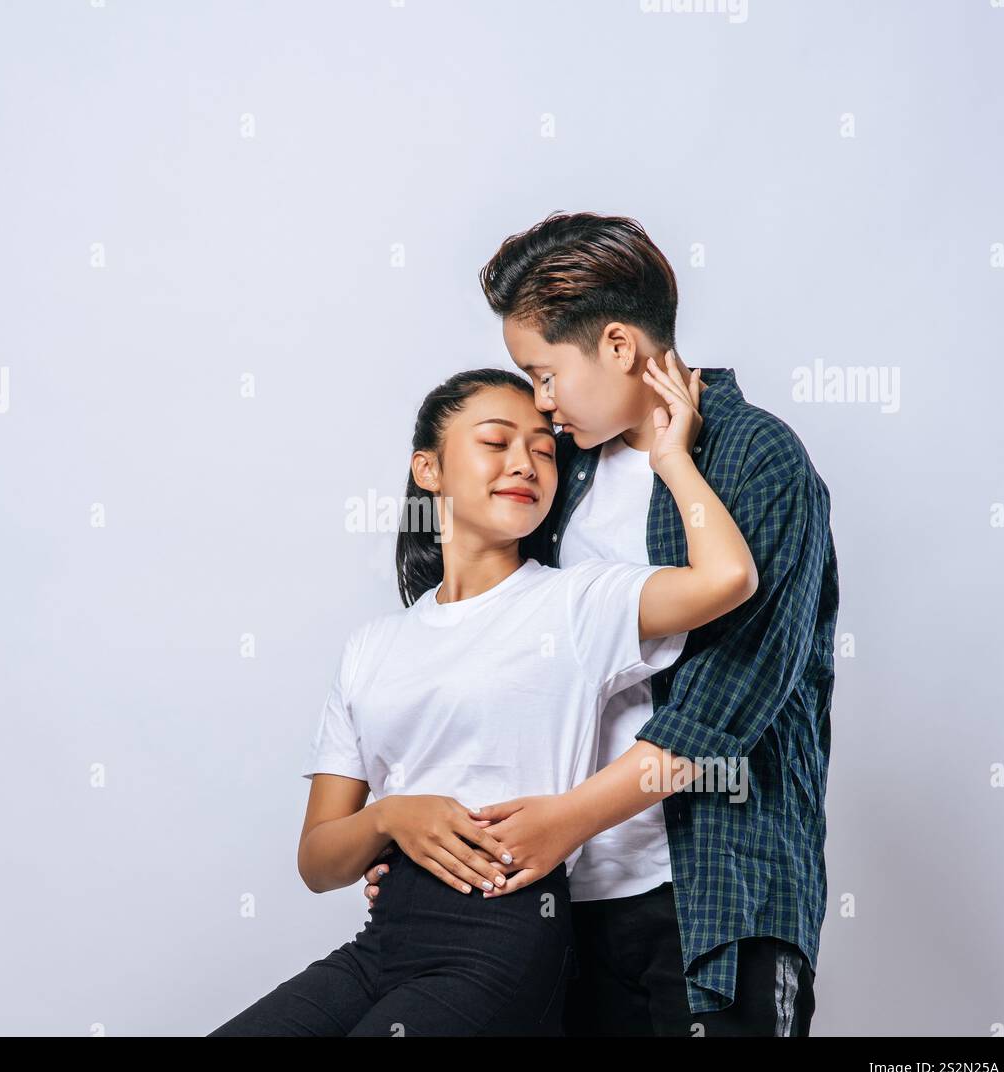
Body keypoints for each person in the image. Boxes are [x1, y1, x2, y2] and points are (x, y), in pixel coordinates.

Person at [365, 213, 839, 1037]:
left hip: (712, 898)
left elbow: (723, 709)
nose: (539, 405)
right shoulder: (563, 470)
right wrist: (428, 853)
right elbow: (500, 657)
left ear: (618, 347)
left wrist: (566, 820)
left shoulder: (758, 458)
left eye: (544, 375)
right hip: (561, 908)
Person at [209, 357, 757, 1036]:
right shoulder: (371, 647)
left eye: (541, 449)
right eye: (496, 443)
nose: (526, 463)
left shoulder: (576, 601)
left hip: (506, 936)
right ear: (428, 469)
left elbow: (727, 577)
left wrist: (670, 457)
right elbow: (319, 861)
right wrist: (391, 817)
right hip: (384, 942)